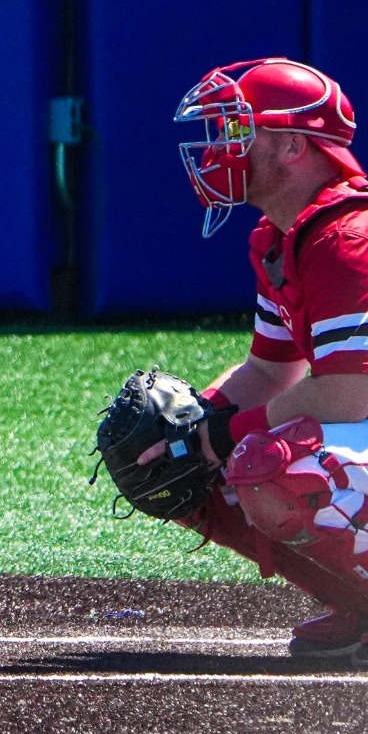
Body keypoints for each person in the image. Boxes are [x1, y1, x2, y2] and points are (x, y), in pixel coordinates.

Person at [148, 58, 368, 661]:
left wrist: (225, 433)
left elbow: (352, 392)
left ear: (294, 144)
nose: (222, 147)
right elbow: (271, 373)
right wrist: (192, 432)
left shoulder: (349, 237)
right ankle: (359, 608)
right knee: (182, 461)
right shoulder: (280, 236)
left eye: (240, 130)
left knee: (272, 462)